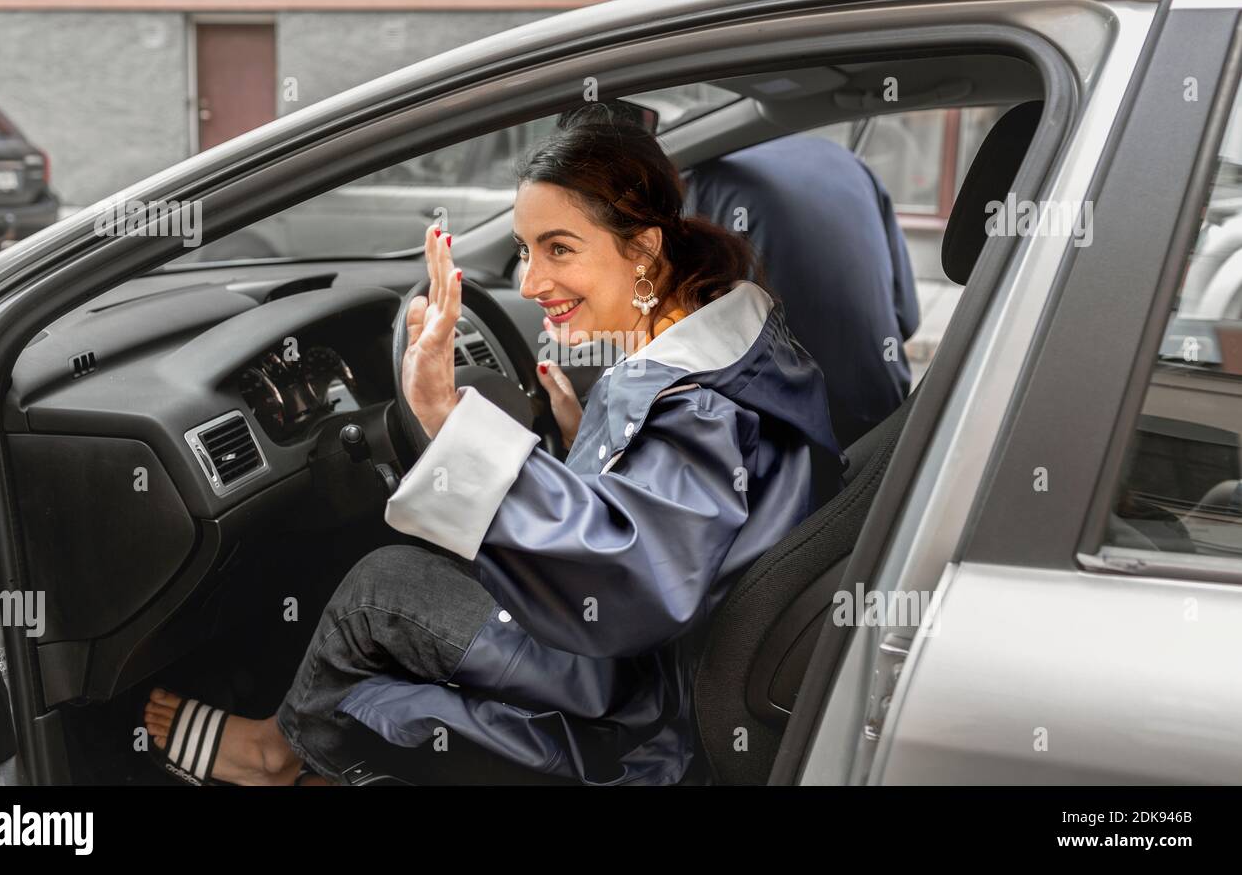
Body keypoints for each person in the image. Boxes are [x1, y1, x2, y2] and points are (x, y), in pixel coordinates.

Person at [142, 103, 844, 786]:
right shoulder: (737, 347)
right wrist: (586, 447)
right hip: (675, 661)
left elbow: (627, 581)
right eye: (522, 250)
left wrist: (444, 414)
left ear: (643, 249)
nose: (530, 282)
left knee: (378, 590)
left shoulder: (694, 404)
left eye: (559, 249)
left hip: (641, 702)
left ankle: (273, 757)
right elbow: (673, 516)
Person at [684, 134, 921, 448]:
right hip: (889, 426)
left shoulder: (703, 187)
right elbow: (907, 318)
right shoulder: (844, 161)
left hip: (795, 444)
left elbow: (693, 348)